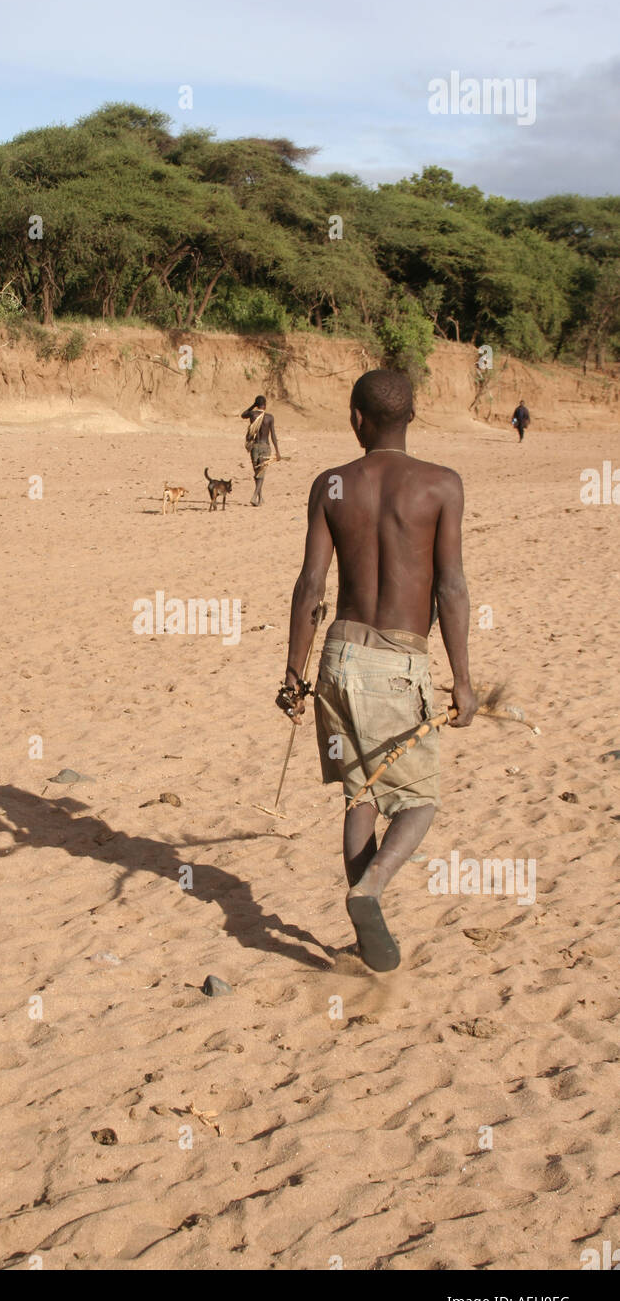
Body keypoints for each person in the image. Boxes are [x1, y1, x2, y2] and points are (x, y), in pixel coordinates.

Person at [278, 369, 477, 972]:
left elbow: (311, 585)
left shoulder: (332, 485)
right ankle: (371, 889)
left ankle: (366, 934)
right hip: (399, 662)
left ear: (356, 419)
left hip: (339, 656)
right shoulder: (441, 485)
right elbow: (450, 587)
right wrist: (462, 678)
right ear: (410, 418)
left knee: (359, 793)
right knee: (418, 801)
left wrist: (293, 671)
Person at [241, 395, 280, 505]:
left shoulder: (252, 415)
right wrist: (277, 451)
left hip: (254, 447)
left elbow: (243, 415)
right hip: (265, 447)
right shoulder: (270, 417)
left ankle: (260, 498)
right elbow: (273, 435)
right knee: (261, 473)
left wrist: (253, 405)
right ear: (265, 405)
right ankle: (254, 496)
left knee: (258, 473)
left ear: (256, 405)